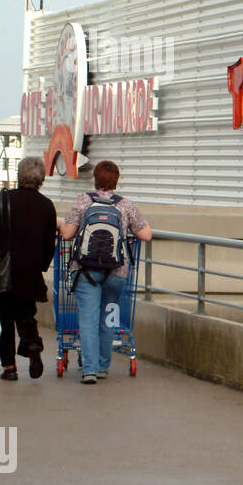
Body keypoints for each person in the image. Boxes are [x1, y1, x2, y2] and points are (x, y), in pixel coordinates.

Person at [59, 160, 152, 384]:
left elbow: (68, 234)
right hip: (117, 272)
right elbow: (146, 235)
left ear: (95, 179)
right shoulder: (126, 205)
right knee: (108, 317)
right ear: (116, 181)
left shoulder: (83, 200)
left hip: (85, 270)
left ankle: (89, 371)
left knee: (89, 319)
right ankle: (103, 366)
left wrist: (60, 222)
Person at [0, 156, 57, 380]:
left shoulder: (4, 199)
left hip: (3, 270)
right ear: (41, 179)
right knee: (26, 314)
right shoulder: (47, 205)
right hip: (30, 271)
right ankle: (32, 345)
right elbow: (49, 243)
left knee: (4, 318)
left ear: (20, 176)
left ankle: (9, 368)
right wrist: (41, 266)